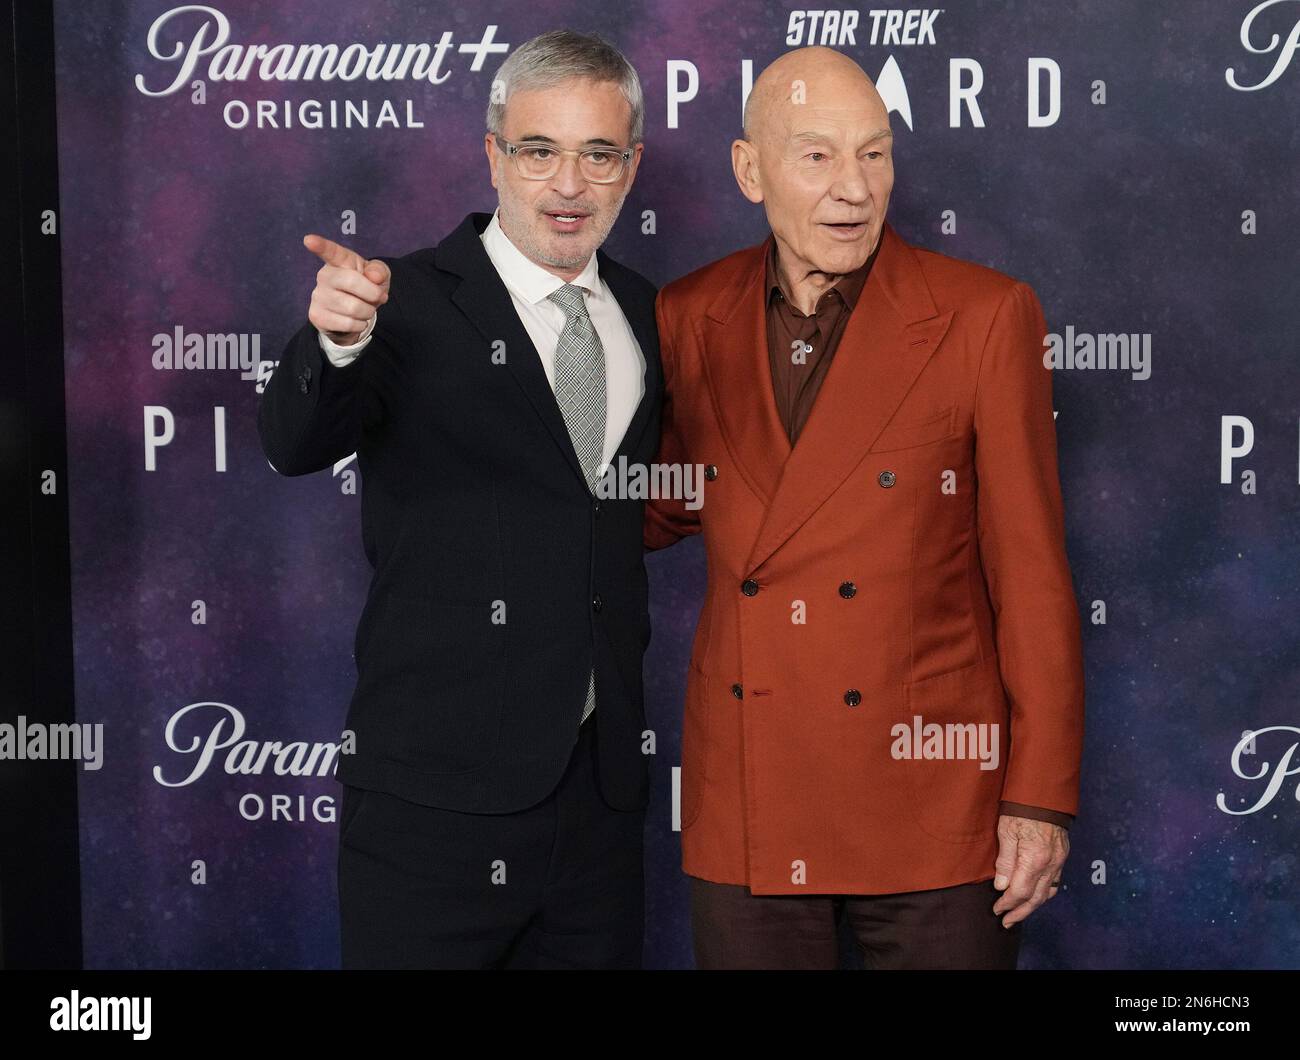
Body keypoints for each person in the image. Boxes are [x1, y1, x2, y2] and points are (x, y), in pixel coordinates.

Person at [645, 46, 1085, 969]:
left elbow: (1032, 571)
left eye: (874, 154)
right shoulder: (688, 314)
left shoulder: (983, 316)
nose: (854, 188)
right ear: (749, 168)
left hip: (932, 802)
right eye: (817, 156)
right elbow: (671, 502)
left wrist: (1038, 800)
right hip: (748, 796)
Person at [257, 29, 661, 969]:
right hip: (428, 811)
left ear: (631, 166)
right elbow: (293, 442)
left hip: (596, 811)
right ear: (493, 156)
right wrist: (337, 343)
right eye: (539, 150)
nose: (570, 184)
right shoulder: (399, 300)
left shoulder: (646, 311)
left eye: (599, 154)